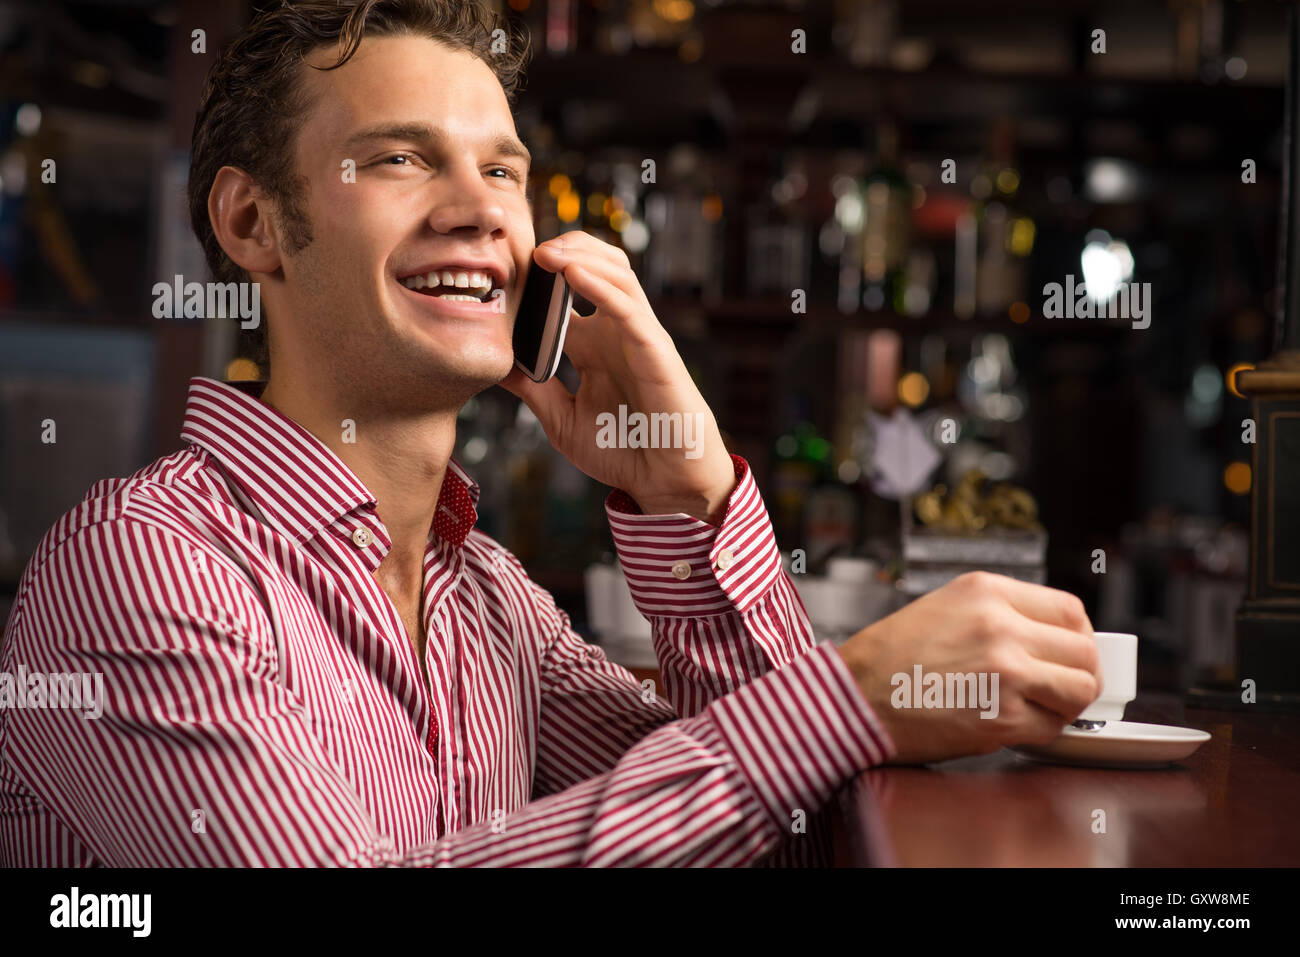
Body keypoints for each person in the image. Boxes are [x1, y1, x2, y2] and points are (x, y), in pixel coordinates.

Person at [0, 0, 1100, 867]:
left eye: (501, 170)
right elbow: (786, 750)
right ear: (251, 224)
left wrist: (689, 493)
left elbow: (782, 837)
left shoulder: (490, 597)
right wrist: (852, 697)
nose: (479, 208)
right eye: (399, 158)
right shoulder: (141, 565)